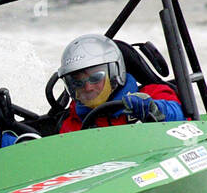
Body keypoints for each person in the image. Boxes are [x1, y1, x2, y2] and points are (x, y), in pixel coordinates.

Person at [56, 34, 184, 132]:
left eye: (96, 78)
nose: (88, 87)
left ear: (114, 74)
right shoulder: (72, 123)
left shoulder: (153, 93)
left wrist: (154, 108)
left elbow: (183, 118)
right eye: (78, 83)